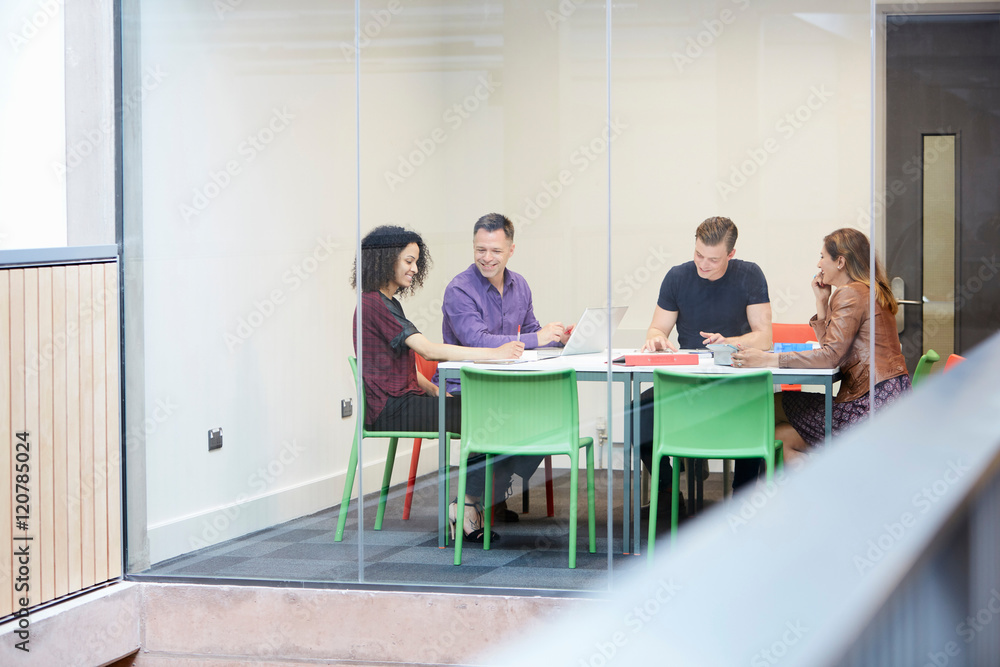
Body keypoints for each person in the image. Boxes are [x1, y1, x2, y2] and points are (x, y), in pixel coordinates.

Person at [351, 224, 524, 542]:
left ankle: (476, 500)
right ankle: (467, 506)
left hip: (404, 401)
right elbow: (428, 351)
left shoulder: (387, 303)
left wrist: (434, 389)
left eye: (416, 262)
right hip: (392, 409)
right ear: (386, 260)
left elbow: (400, 364)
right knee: (488, 414)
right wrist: (493, 352)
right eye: (408, 261)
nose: (415, 269)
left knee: (496, 410)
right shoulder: (374, 304)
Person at [731, 228, 910, 464]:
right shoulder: (868, 291)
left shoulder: (850, 293)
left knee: (771, 404)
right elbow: (833, 348)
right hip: (887, 403)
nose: (819, 264)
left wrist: (767, 359)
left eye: (823, 256)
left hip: (867, 408)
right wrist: (822, 303)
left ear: (840, 262)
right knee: (779, 436)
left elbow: (829, 356)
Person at [437, 213, 571, 522]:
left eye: (495, 250)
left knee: (551, 418)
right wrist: (537, 338)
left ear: (511, 250)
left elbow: (532, 332)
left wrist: (558, 338)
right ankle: (468, 502)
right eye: (480, 249)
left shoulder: (519, 285)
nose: (487, 258)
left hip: (509, 384)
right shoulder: (459, 290)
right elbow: (477, 340)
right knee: (508, 415)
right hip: (468, 387)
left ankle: (490, 494)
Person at [639, 216, 773, 520]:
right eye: (698, 254)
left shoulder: (749, 275)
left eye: (713, 259)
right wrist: (657, 339)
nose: (703, 264)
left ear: (731, 254)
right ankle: (668, 488)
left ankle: (742, 501)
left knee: (754, 413)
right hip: (686, 384)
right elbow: (657, 328)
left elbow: (764, 337)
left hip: (736, 382)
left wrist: (729, 342)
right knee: (637, 414)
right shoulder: (677, 277)